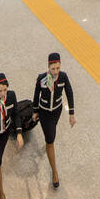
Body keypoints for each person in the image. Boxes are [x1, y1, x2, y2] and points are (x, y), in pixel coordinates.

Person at [31, 52, 75, 189]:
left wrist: (71, 114)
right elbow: (36, 95)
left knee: (51, 132)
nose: (55, 72)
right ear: (48, 67)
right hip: (44, 112)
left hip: (57, 110)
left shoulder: (63, 77)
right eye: (53, 69)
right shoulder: (42, 79)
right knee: (50, 140)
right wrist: (35, 111)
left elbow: (69, 92)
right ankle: (55, 172)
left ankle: (49, 140)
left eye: (57, 68)